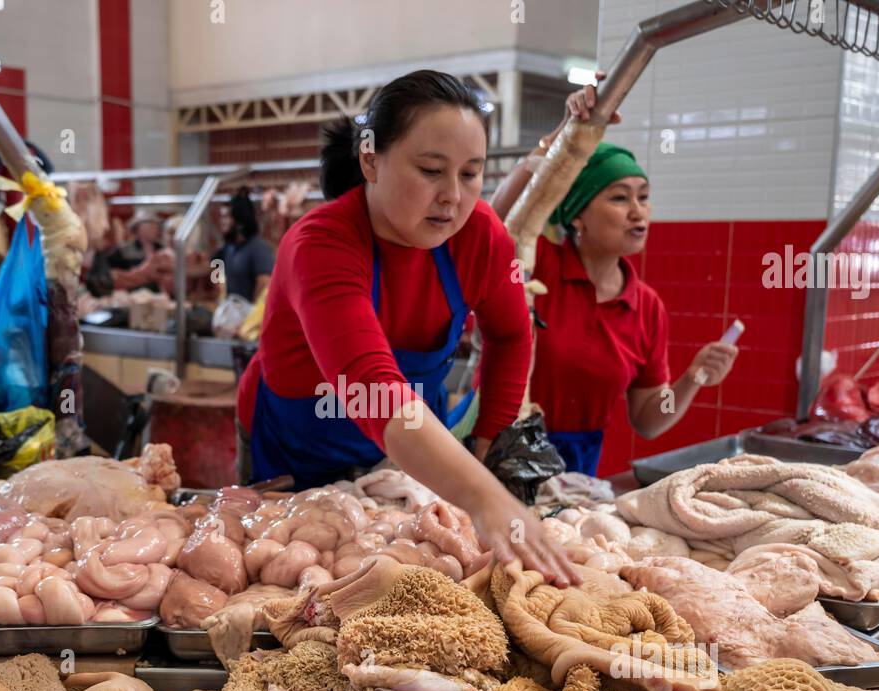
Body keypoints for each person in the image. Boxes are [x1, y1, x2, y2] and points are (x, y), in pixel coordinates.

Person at [236, 69, 579, 584]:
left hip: (413, 459)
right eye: (430, 170)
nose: (452, 197)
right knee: (289, 585)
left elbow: (510, 335)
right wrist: (486, 497)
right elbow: (373, 391)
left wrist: (489, 441)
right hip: (296, 450)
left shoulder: (480, 236)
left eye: (470, 174)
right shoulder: (320, 244)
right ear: (370, 160)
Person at [491, 79, 738, 475]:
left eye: (643, 196)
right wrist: (566, 131)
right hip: (499, 447)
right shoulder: (539, 267)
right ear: (577, 215)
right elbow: (501, 217)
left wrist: (692, 379)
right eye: (620, 198)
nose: (638, 212)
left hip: (579, 468)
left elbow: (647, 418)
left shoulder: (647, 308)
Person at [213, 187, 275, 302]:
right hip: (232, 312)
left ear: (239, 220)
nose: (222, 222)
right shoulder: (229, 248)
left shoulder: (258, 248)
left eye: (226, 217)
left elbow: (264, 283)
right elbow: (214, 267)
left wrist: (250, 315)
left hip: (249, 316)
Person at [84, 212, 166, 297]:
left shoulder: (162, 249)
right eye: (152, 227)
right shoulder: (123, 250)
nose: (157, 230)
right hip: (132, 297)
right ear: (140, 229)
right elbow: (108, 272)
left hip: (158, 296)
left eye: (157, 227)